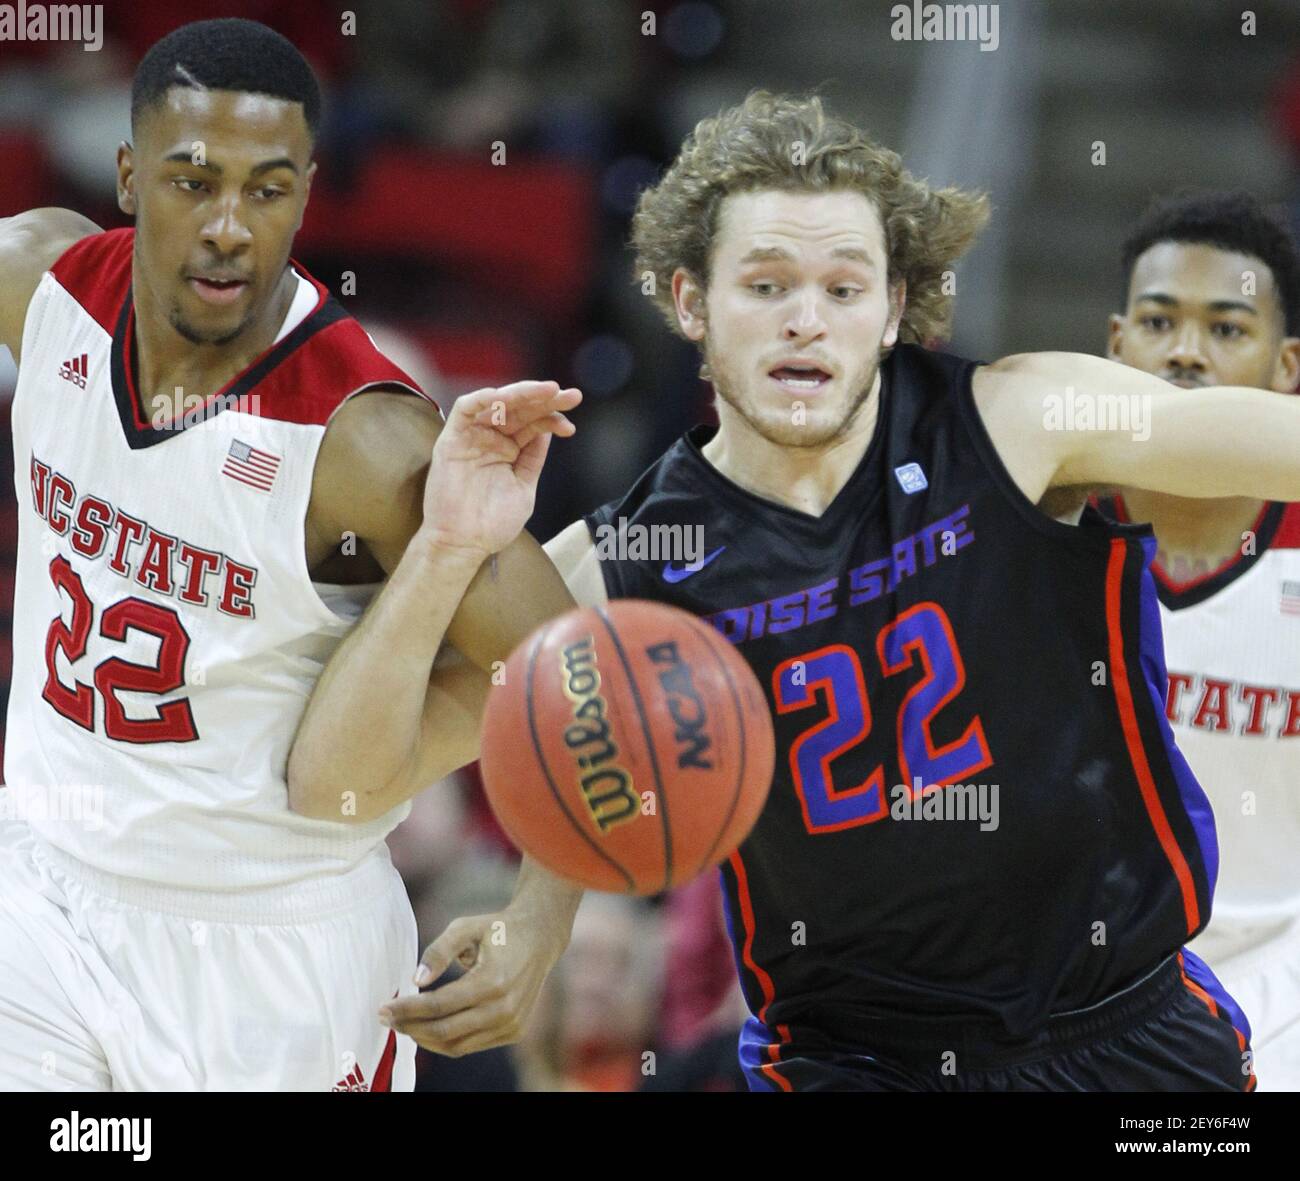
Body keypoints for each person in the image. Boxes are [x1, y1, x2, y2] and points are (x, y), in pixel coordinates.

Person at [297, 90, 1300, 1090]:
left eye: (842, 287)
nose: (805, 323)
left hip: (1128, 1026)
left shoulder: (1022, 421)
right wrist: (446, 545)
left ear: (895, 305)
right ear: (689, 300)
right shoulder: (631, 559)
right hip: (855, 1060)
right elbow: (347, 779)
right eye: (766, 285)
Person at [0, 18, 582, 1091]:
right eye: (192, 181)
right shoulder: (34, 283)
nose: (227, 226)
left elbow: (583, 686)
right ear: (128, 176)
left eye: (266, 190)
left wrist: (538, 922)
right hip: (39, 898)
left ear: (307, 194)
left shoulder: (367, 444)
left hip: (268, 954)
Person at [1096, 190, 1300, 1089]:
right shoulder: (1037, 530)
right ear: (1114, 346)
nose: (1185, 351)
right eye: (1158, 321)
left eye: (1226, 329)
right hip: (1082, 989)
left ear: (1287, 366)